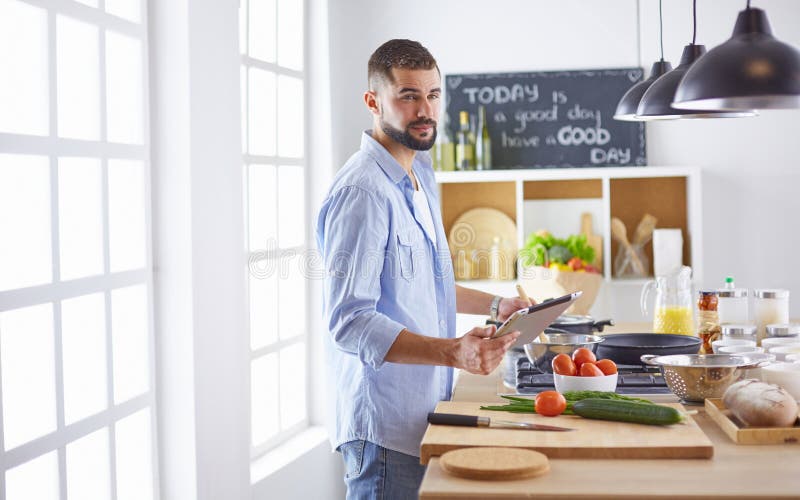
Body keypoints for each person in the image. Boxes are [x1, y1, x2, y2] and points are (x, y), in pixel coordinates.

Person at [315, 39, 530, 499]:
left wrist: (496, 304)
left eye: (433, 95)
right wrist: (453, 352)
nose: (425, 110)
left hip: (425, 416)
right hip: (384, 432)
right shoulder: (363, 192)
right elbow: (349, 323)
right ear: (373, 102)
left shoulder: (420, 174)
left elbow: (425, 284)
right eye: (408, 96)